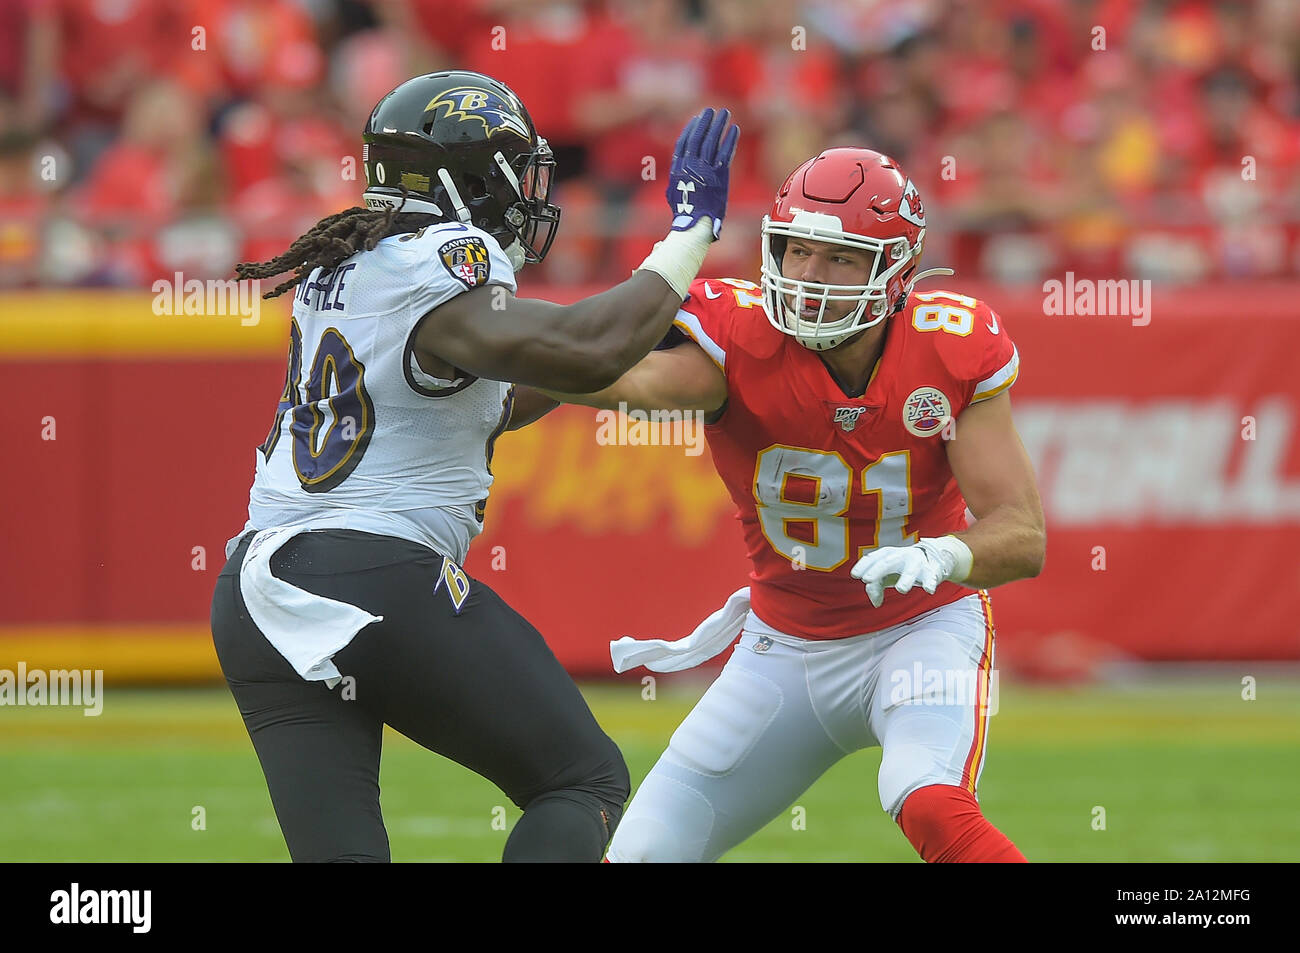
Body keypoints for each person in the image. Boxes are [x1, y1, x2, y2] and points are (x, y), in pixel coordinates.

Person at [208, 69, 739, 862]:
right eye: (519, 170)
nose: (528, 194)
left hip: (254, 589)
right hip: (371, 569)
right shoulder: (448, 256)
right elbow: (582, 347)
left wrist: (652, 329)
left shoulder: (348, 262)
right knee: (582, 779)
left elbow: (501, 392)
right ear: (475, 174)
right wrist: (688, 238)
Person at [549, 147, 1044, 862]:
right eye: (795, 249)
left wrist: (941, 554)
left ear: (897, 271)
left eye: (840, 258)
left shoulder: (947, 347)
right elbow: (617, 377)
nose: (809, 277)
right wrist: (492, 349)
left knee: (927, 794)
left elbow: (1023, 534)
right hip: (783, 648)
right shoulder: (742, 338)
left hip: (920, 627)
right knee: (641, 855)